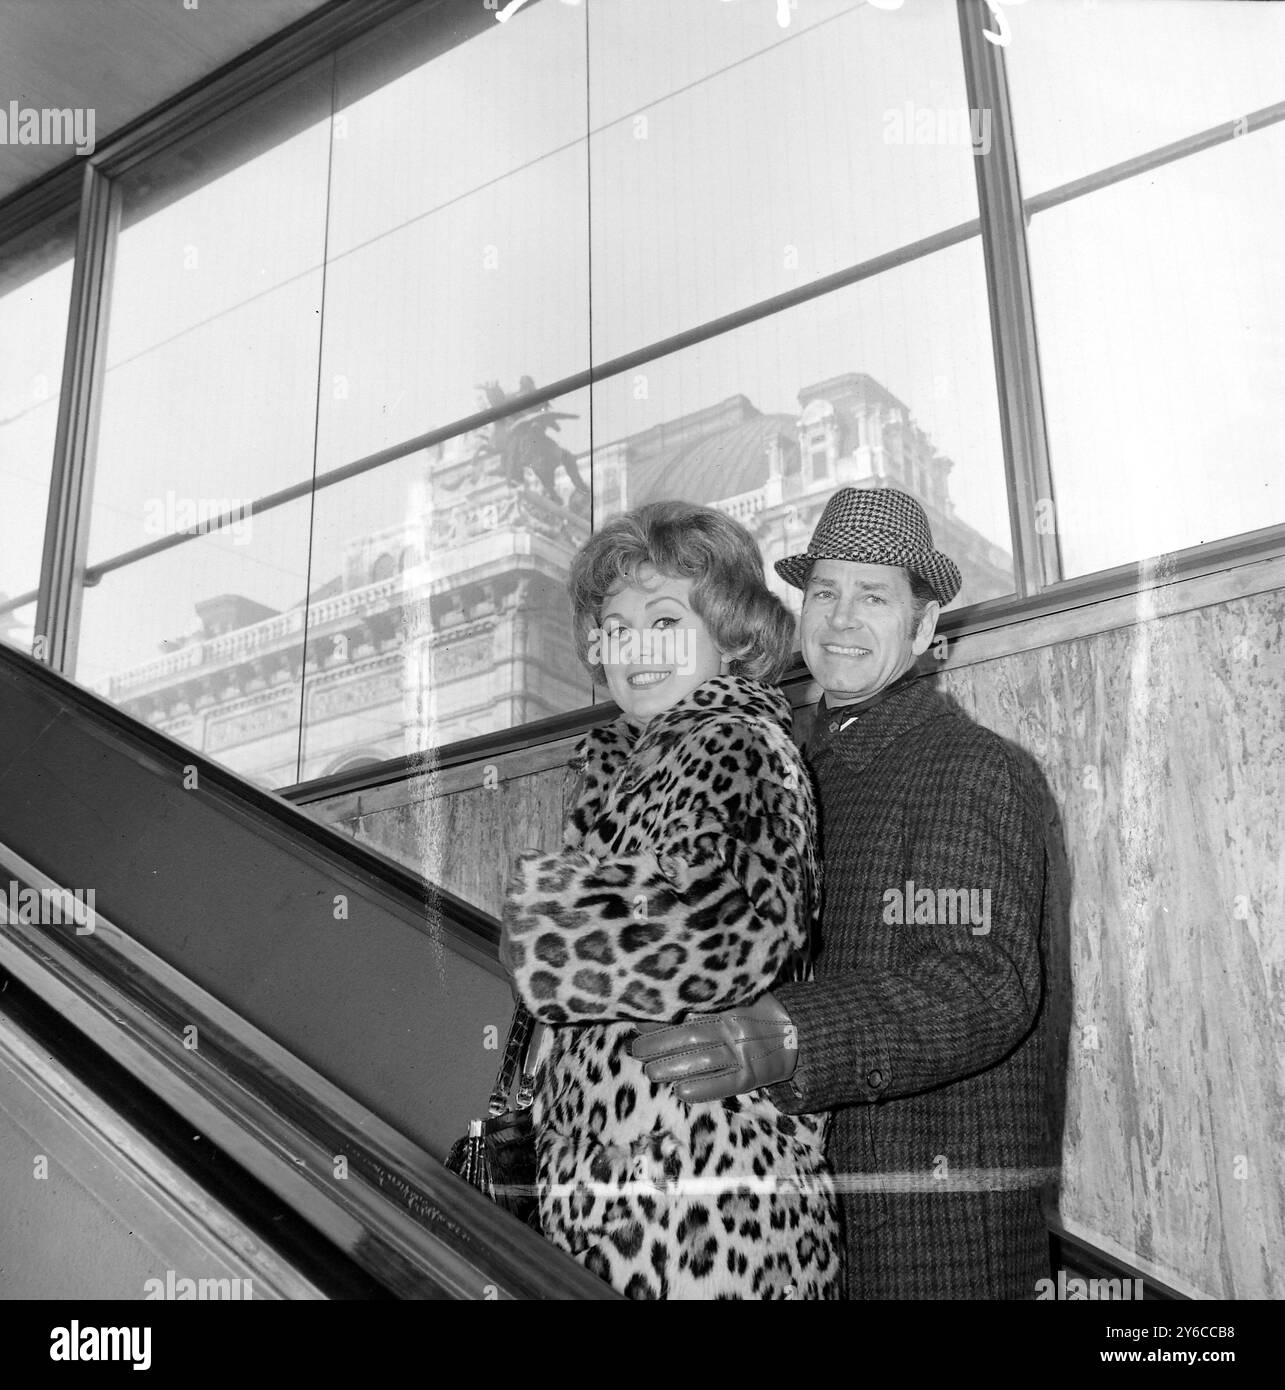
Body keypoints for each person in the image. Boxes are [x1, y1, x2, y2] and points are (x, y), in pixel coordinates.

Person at [634, 486, 1054, 1299]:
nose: (840, 617)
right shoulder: (779, 766)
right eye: (823, 592)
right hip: (791, 1228)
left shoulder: (970, 768)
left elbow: (978, 982)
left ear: (925, 626)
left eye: (873, 596)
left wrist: (788, 1034)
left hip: (925, 1245)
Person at [499, 500, 843, 1300]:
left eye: (663, 619)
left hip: (706, 1186)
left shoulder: (735, 739)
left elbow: (741, 915)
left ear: (731, 637)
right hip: (616, 1181)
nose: (635, 647)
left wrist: (541, 926)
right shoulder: (625, 764)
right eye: (615, 627)